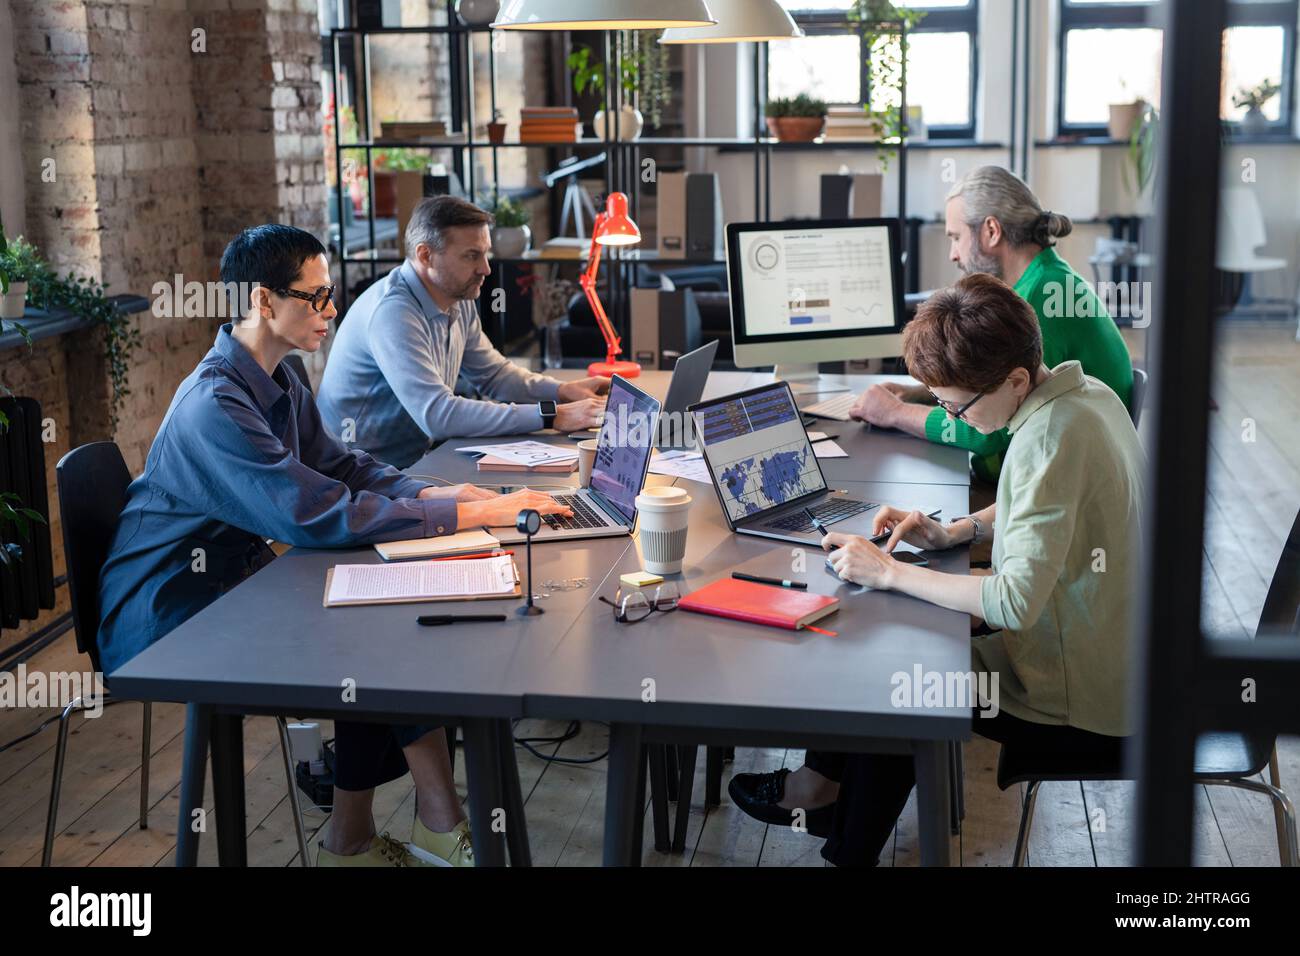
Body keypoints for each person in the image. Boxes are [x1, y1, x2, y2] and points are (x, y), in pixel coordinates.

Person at [97, 224, 573, 867]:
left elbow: (343, 468)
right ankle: (416, 827)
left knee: (382, 627)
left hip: (236, 584)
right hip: (170, 617)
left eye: (332, 295)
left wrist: (449, 495)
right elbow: (316, 513)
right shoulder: (216, 402)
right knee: (374, 635)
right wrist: (461, 512)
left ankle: (368, 837)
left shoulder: (279, 376)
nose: (332, 311)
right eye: (317, 297)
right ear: (264, 301)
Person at [729, 273, 1144, 865]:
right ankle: (826, 803)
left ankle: (842, 847)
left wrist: (889, 572)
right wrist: (958, 530)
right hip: (1114, 656)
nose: (952, 414)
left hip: (1085, 699)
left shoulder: (1046, 439)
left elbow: (1013, 604)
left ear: (1017, 379)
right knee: (899, 654)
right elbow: (1043, 501)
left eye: (957, 403)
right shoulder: (1086, 395)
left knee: (899, 683)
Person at [849, 166, 1134, 484]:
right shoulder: (1048, 279)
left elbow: (991, 430)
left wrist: (893, 413)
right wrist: (925, 393)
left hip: (1056, 479)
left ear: (991, 231)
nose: (952, 255)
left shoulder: (1041, 297)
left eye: (956, 237)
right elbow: (997, 386)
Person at [317, 195, 610, 468]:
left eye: (485, 254)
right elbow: (438, 415)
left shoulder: (456, 295)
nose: (486, 269)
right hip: (363, 474)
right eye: (471, 256)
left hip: (416, 460)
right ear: (426, 255)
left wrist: (561, 391)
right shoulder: (393, 313)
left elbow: (494, 375)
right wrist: (552, 415)